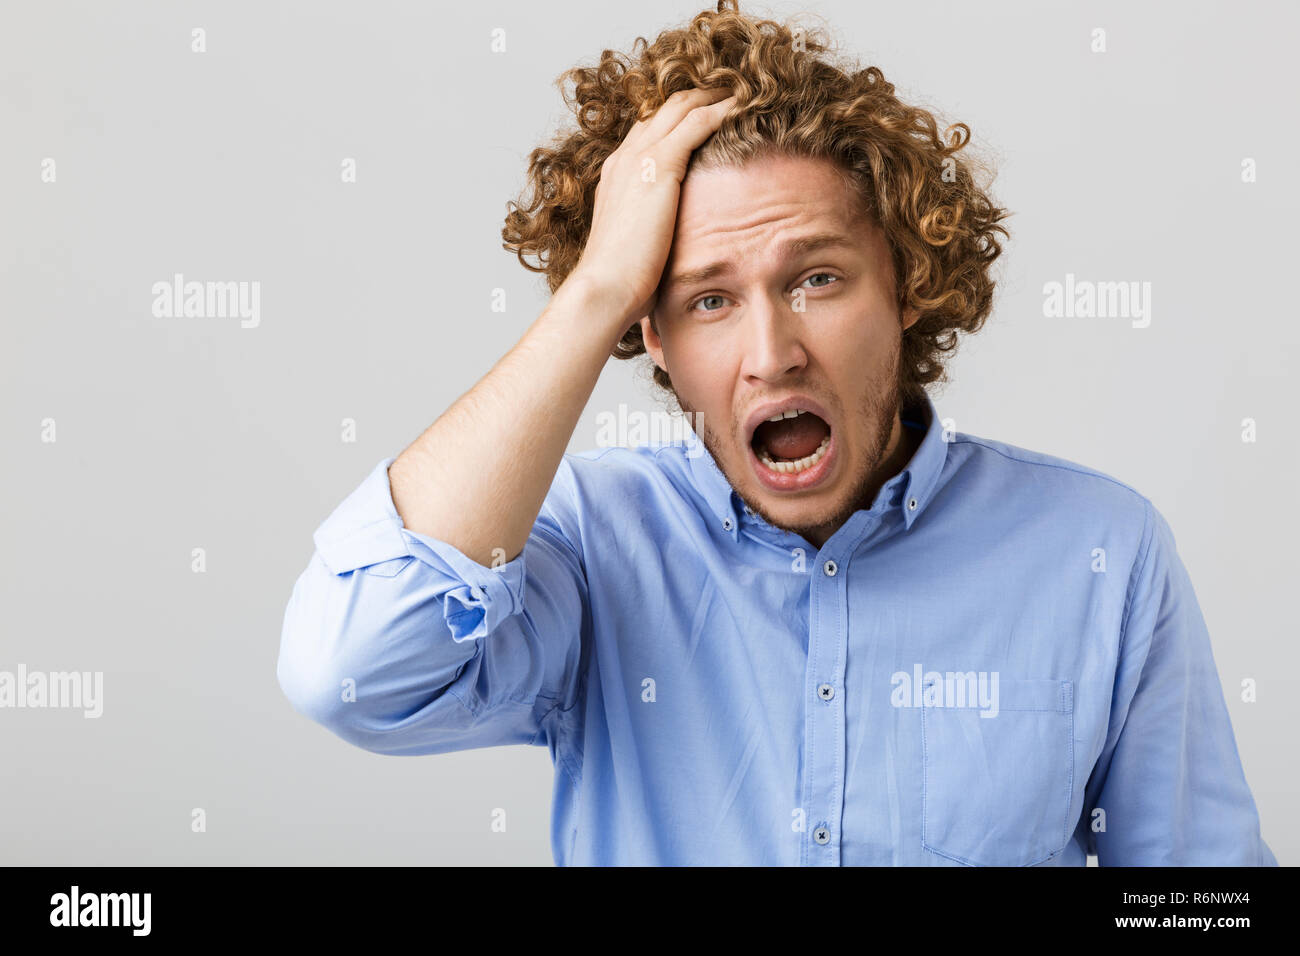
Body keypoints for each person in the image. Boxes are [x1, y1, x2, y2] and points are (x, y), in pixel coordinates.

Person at [277, 0, 1276, 866]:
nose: (772, 352)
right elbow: (351, 667)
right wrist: (595, 291)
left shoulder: (1100, 551)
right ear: (652, 338)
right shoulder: (588, 545)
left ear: (904, 288)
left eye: (816, 278)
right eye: (706, 300)